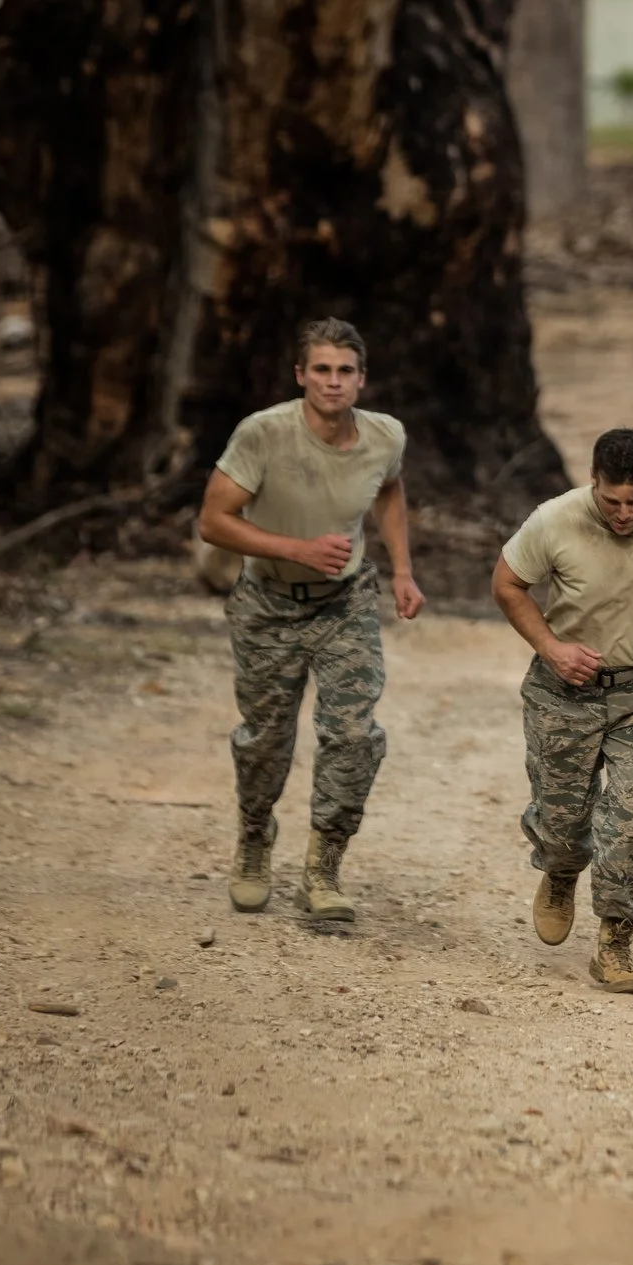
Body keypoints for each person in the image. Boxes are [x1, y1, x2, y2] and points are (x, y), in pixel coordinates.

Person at [198, 318, 423, 922]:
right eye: (321, 369)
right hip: (268, 603)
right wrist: (296, 549)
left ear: (361, 379)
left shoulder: (385, 436)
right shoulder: (264, 434)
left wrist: (402, 570)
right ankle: (254, 836)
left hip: (345, 601)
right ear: (301, 375)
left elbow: (389, 490)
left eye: (345, 371)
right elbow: (213, 521)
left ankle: (323, 867)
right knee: (266, 739)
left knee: (354, 735)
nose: (333, 381)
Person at [493, 427, 633, 994]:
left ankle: (616, 942)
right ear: (593, 481)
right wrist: (551, 648)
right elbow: (507, 584)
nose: (623, 514)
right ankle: (560, 868)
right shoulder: (554, 521)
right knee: (562, 823)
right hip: (564, 692)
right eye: (611, 500)